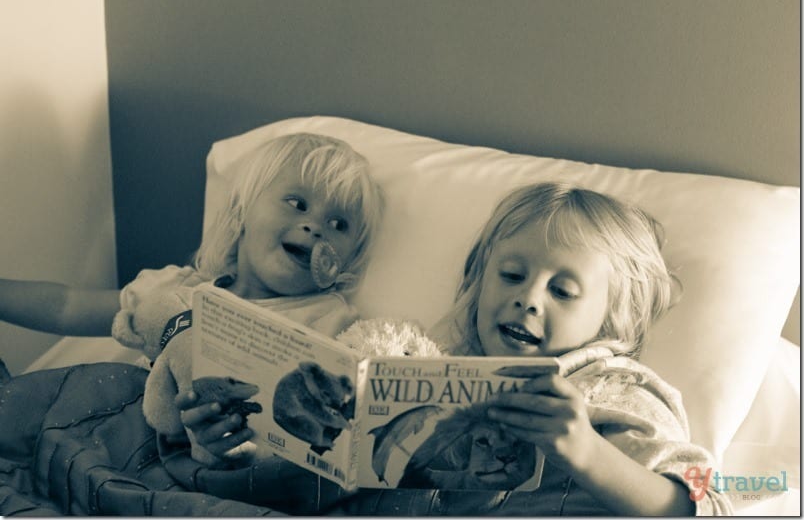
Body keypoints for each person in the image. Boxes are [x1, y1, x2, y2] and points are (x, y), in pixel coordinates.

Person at [180, 182, 733, 515]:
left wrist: (585, 451)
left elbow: (706, 502)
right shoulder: (430, 362)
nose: (528, 301)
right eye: (512, 275)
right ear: (480, 278)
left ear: (614, 317)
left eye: (562, 291)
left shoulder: (613, 387)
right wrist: (233, 444)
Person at [0, 131, 384, 364]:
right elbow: (68, 306)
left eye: (339, 224)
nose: (315, 227)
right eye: (297, 203)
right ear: (241, 213)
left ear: (350, 257)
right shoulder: (178, 292)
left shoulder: (332, 323)